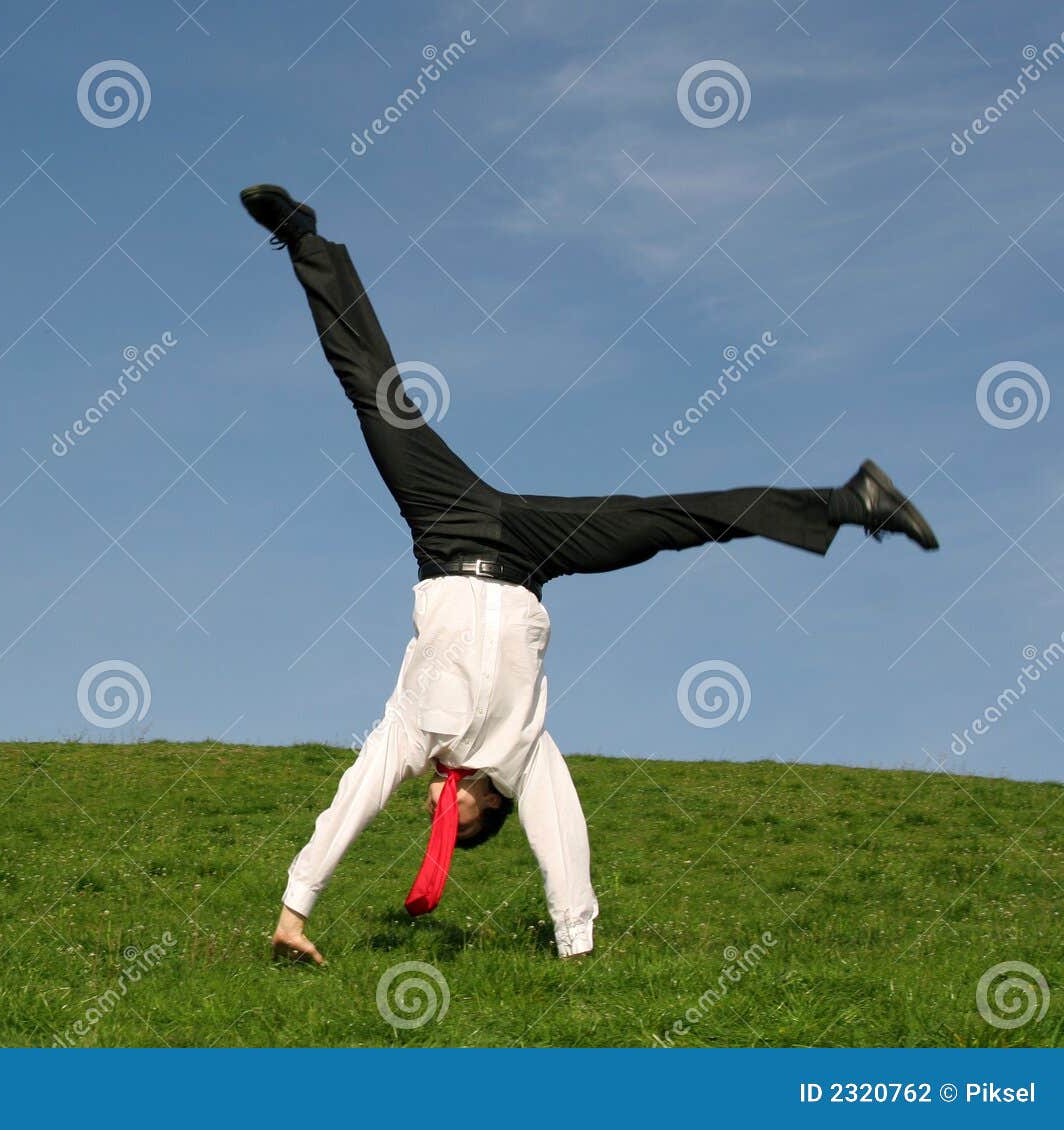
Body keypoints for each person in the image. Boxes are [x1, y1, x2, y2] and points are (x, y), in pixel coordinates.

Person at [238, 184, 938, 964]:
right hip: (531, 554)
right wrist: (576, 943)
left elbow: (357, 797)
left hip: (447, 532)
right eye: (460, 819)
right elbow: (561, 836)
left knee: (380, 403)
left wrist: (293, 911)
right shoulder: (525, 752)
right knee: (671, 520)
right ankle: (856, 501)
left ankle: (853, 499)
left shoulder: (410, 734)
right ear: (487, 807)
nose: (440, 807)